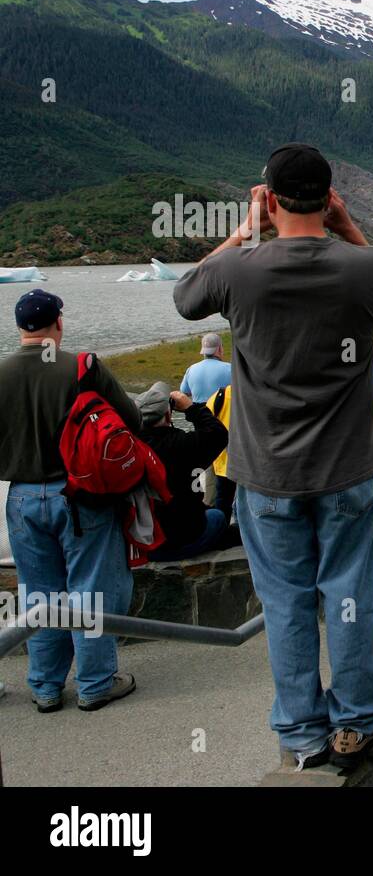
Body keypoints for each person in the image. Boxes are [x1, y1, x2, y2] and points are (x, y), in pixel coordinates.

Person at [174, 142, 373, 770]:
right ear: (330, 197)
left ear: (270, 198)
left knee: (286, 604)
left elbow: (185, 294)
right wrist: (348, 226)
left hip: (267, 475)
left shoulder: (239, 271)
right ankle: (358, 721)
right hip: (349, 471)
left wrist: (246, 230)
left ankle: (302, 734)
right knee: (349, 594)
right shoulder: (366, 266)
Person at [0, 289, 138, 712]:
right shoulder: (83, 367)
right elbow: (129, 421)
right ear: (58, 322)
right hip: (80, 497)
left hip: (22, 498)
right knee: (90, 591)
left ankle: (45, 687)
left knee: (39, 596)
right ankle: (95, 684)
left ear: (20, 326)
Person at [135, 382, 230, 562]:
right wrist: (191, 408)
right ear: (168, 415)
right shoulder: (185, 444)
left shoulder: (132, 448)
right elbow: (218, 433)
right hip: (187, 538)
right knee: (216, 516)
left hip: (148, 543)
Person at [204, 383, 238, 523]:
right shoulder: (258, 394)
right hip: (252, 467)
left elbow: (206, 425)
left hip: (223, 463)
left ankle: (221, 533)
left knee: (222, 502)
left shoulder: (220, 396)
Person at [179, 332, 232, 403]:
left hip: (198, 413)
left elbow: (184, 392)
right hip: (221, 413)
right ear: (219, 349)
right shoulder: (229, 368)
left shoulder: (191, 369)